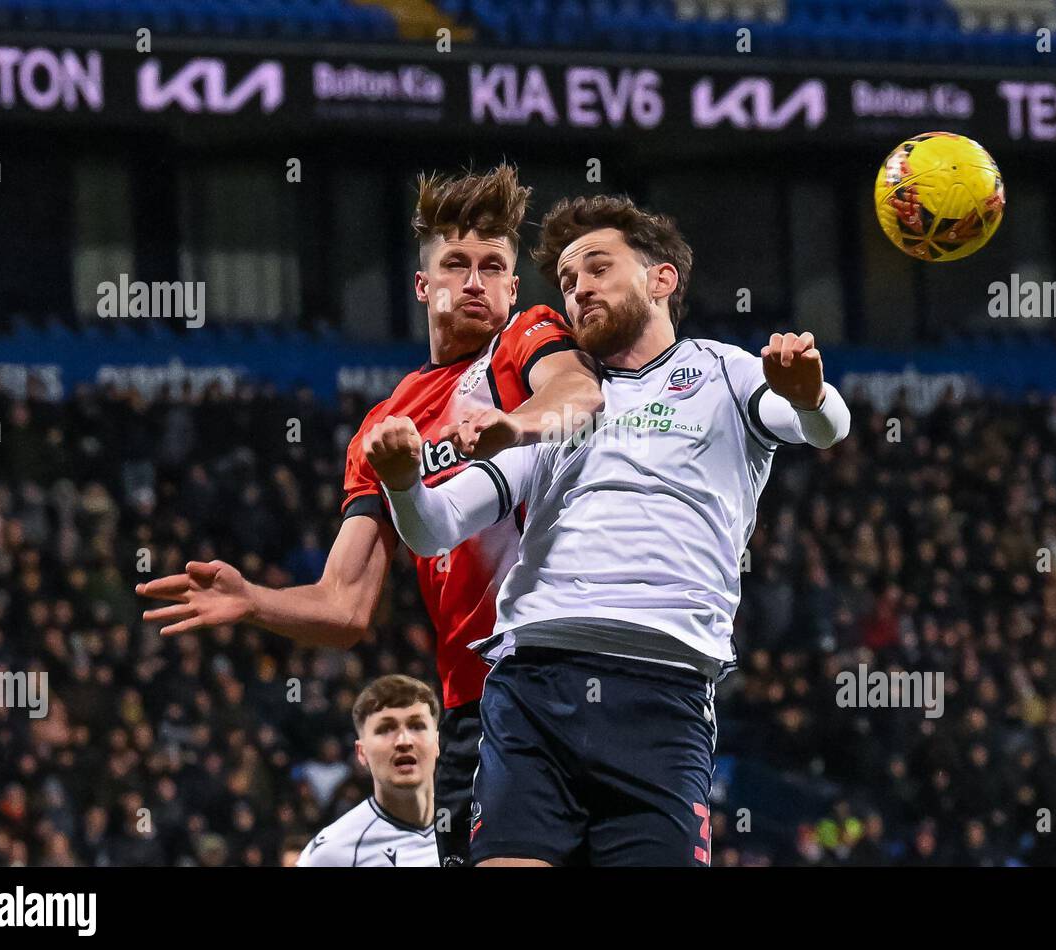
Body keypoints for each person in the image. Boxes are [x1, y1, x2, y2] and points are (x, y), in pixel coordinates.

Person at [135, 165, 604, 866]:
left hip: (571, 683)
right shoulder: (385, 425)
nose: (473, 281)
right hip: (475, 712)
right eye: (455, 265)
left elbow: (577, 393)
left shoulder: (526, 340)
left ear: (512, 289)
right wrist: (252, 600)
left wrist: (512, 426)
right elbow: (345, 607)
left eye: (491, 267)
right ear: (423, 285)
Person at [364, 194, 851, 865]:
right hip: (533, 681)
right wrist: (401, 483)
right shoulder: (557, 406)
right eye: (566, 282)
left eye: (596, 269)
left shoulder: (721, 371)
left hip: (664, 690)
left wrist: (810, 392)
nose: (578, 290)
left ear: (661, 279)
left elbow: (827, 428)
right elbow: (435, 528)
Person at [297, 675, 440, 867]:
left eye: (417, 726)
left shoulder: (479, 827)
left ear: (437, 743)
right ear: (362, 752)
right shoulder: (333, 853)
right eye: (386, 729)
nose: (404, 740)